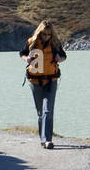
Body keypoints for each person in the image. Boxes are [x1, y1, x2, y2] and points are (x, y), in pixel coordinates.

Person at [19, 20, 66, 149]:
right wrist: (27, 59)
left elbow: (64, 56)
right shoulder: (31, 42)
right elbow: (22, 53)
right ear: (40, 32)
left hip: (51, 81)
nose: (46, 37)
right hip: (35, 81)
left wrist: (59, 59)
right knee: (41, 112)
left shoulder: (55, 43)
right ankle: (43, 138)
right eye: (44, 34)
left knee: (48, 110)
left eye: (49, 34)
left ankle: (48, 140)